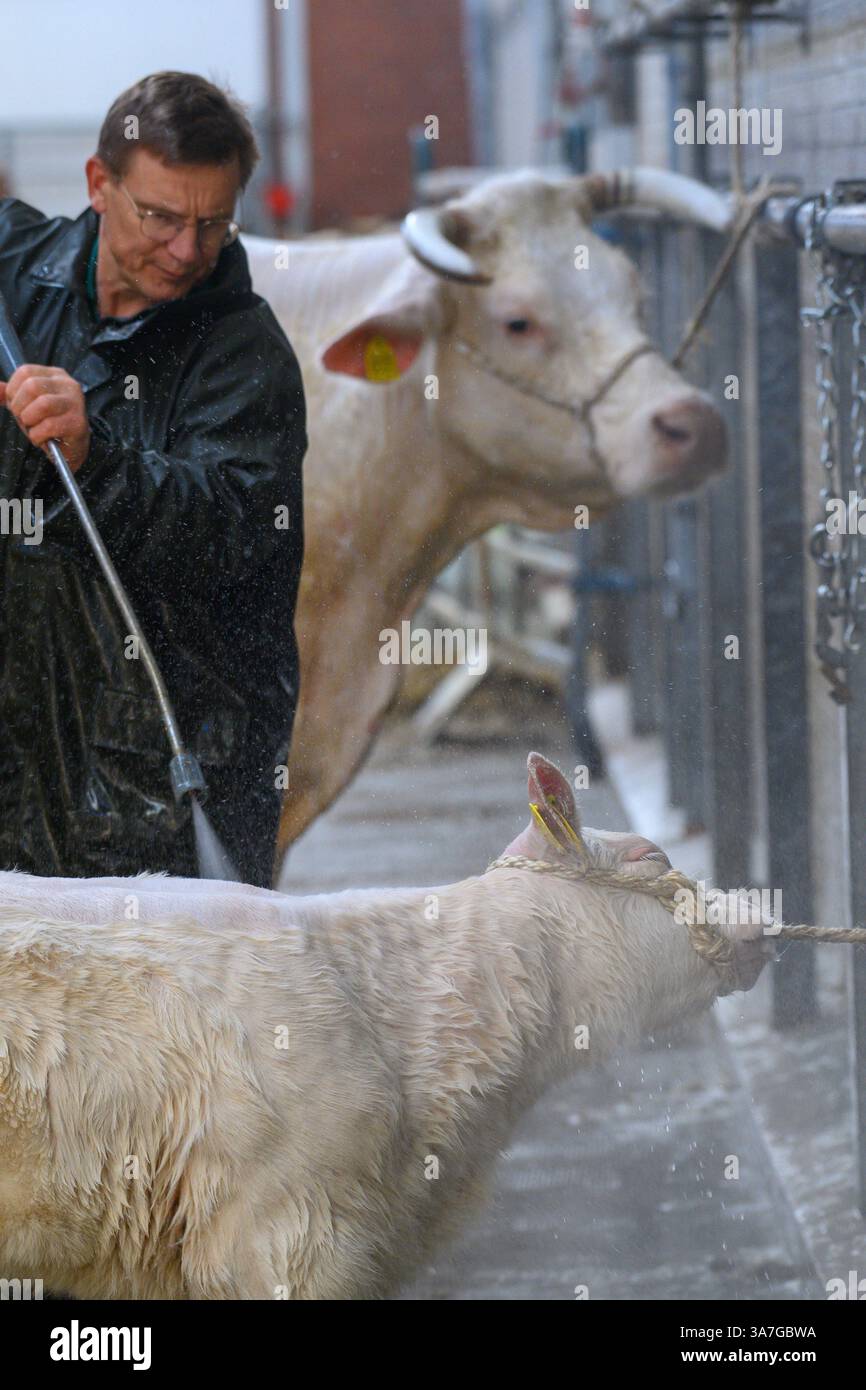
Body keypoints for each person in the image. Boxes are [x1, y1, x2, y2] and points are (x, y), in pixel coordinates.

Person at [0, 71, 307, 887]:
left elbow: (236, 531)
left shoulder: (243, 353)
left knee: (173, 1013)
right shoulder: (12, 272)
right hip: (14, 756)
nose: (185, 251)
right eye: (161, 216)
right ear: (99, 185)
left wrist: (99, 460)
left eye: (212, 224)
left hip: (157, 786)